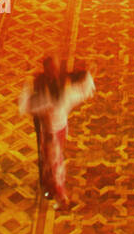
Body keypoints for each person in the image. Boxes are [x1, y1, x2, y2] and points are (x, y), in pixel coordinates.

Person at [18, 56, 95, 208]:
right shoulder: (39, 84)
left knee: (50, 160)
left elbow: (77, 91)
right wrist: (43, 115)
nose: (54, 71)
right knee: (55, 162)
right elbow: (29, 104)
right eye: (51, 68)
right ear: (46, 69)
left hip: (59, 127)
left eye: (56, 68)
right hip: (49, 130)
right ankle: (61, 197)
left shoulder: (62, 82)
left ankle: (48, 186)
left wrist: (89, 74)